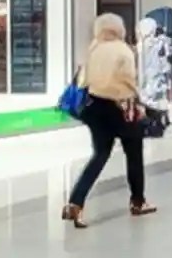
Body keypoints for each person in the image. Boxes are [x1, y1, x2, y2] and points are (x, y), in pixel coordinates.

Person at [63, 14, 157, 228]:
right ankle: (138, 202)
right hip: (121, 108)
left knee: (100, 155)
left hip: (95, 107)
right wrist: (138, 102)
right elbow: (128, 81)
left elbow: (84, 79)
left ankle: (75, 203)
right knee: (134, 155)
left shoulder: (94, 48)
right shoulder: (123, 50)